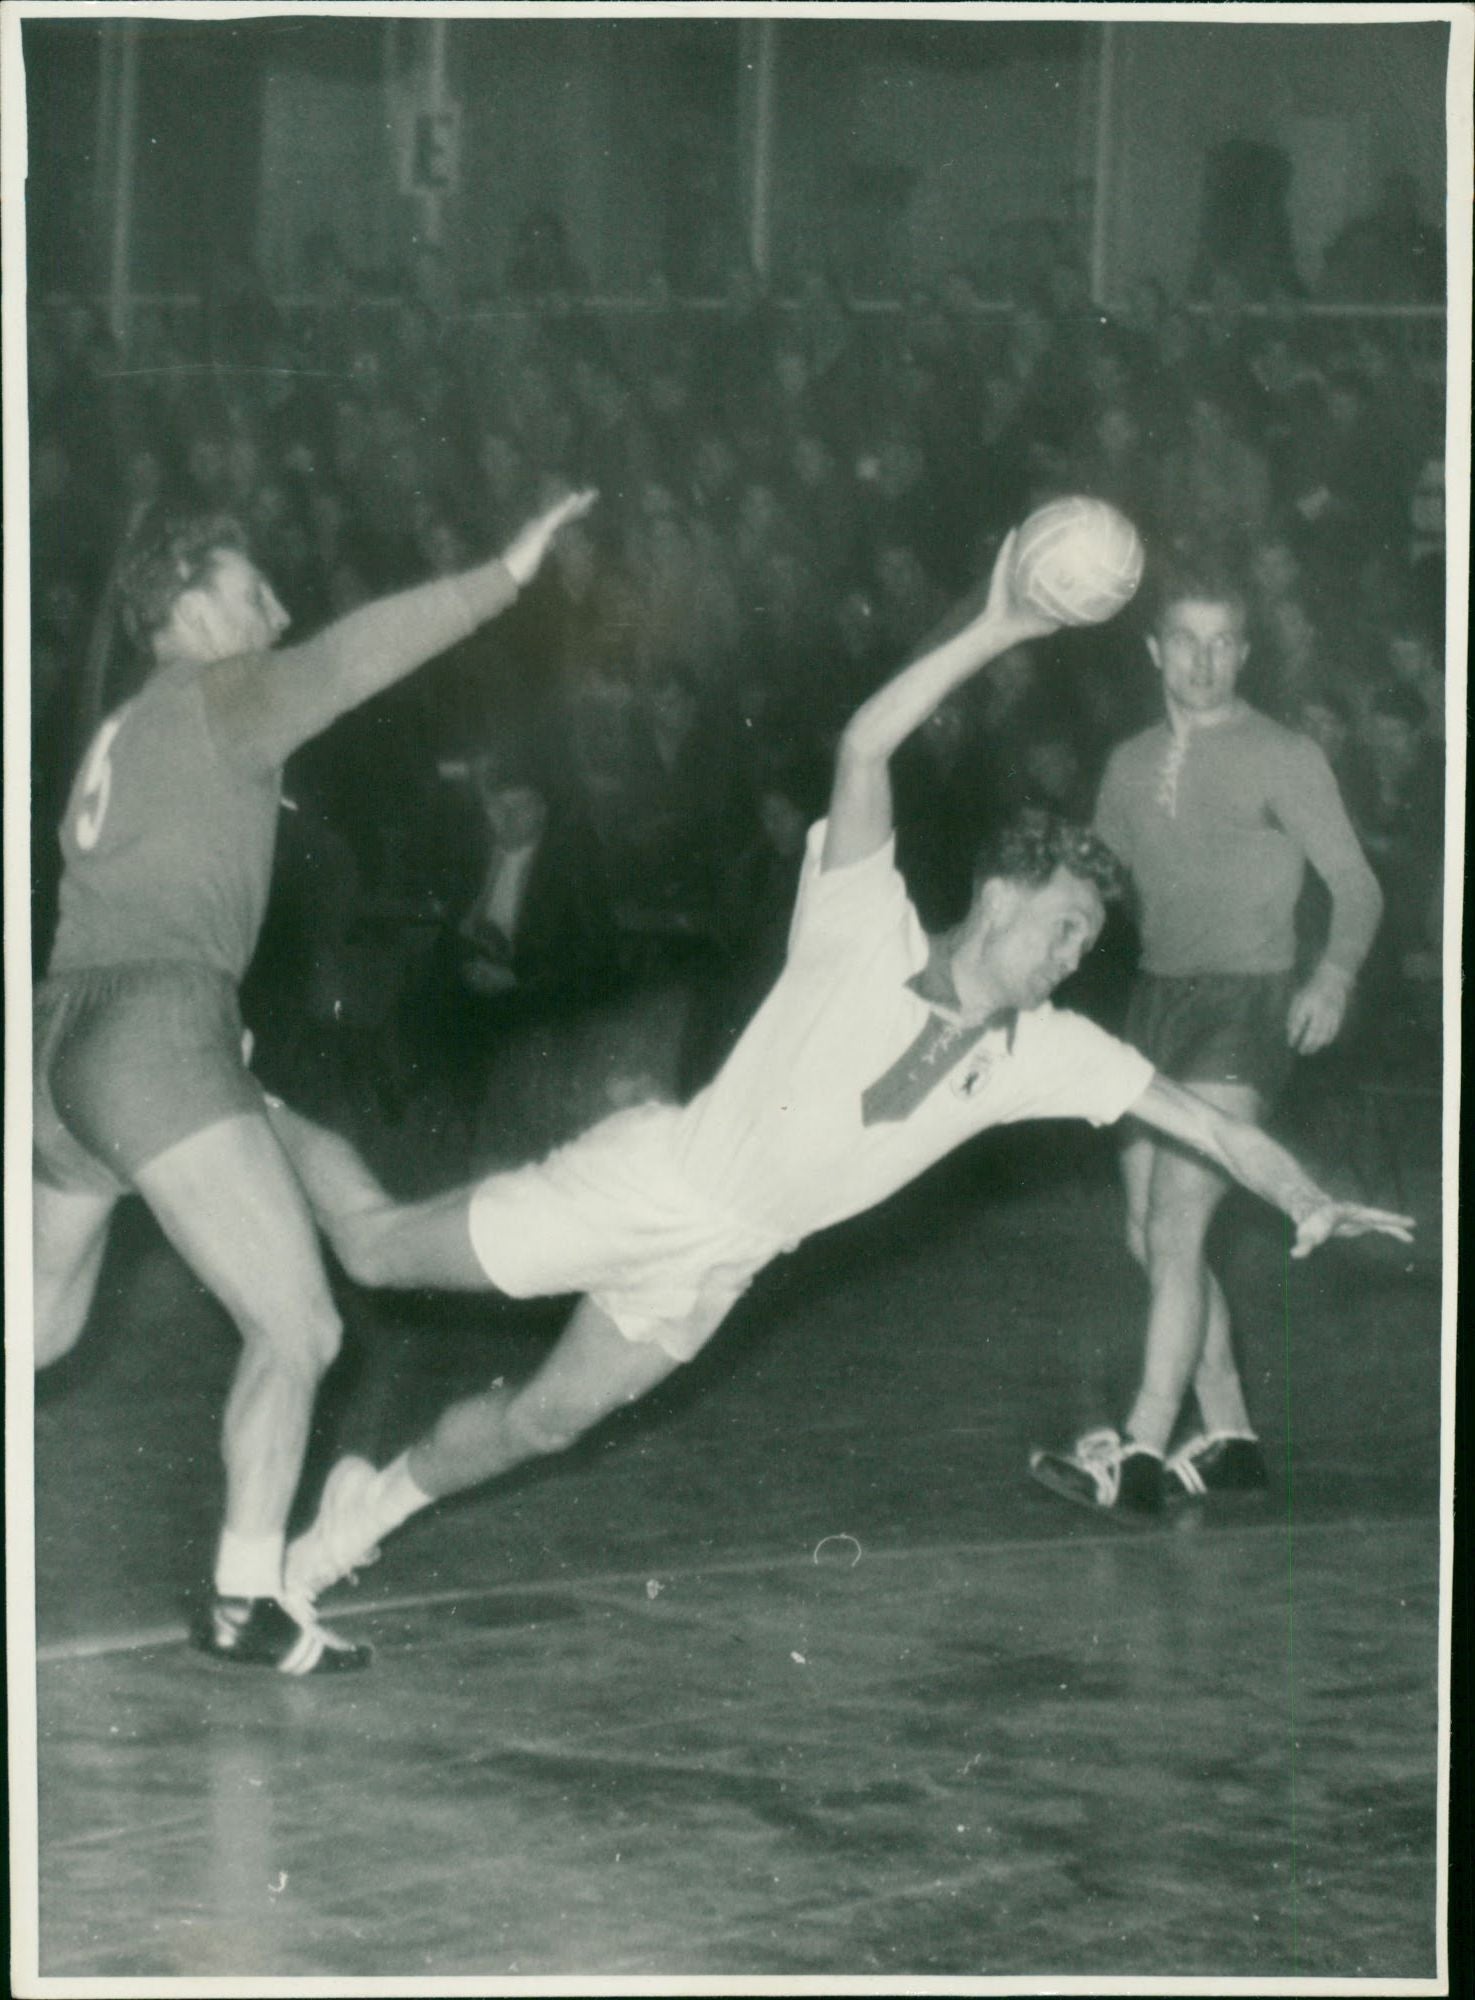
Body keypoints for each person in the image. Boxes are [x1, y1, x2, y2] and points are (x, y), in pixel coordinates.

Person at [262, 536, 1410, 1604]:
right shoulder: (862, 926)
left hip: (720, 1261)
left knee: (547, 1423)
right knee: (369, 1245)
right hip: (646, 1184)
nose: (1071, 954)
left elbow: (1207, 1126)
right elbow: (865, 744)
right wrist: (999, 624)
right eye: (1060, 925)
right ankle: (249, 1095)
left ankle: (367, 1507)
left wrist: (1299, 1190)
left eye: (1083, 942)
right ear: (998, 896)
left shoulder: (1045, 1051)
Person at [32, 489, 595, 1673]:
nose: (276, 612)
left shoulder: (124, 724)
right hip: (150, 1028)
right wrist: (499, 574)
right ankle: (247, 1596)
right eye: (252, 592)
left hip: (51, 1041)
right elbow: (349, 659)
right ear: (184, 604)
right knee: (298, 1324)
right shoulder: (216, 695)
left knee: (30, 1326)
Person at [1031, 558, 1385, 1517]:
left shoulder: (1283, 755)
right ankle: (1227, 1436)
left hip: (1245, 1003)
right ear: (1153, 650)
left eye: (1222, 640)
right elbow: (1092, 895)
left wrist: (1333, 975)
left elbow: (1356, 886)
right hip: (1155, 1004)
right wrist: (1035, 951)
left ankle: (1139, 1449)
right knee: (1148, 1234)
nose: (1203, 660)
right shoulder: (1129, 763)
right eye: (1184, 640)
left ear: (1243, 649)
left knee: (1182, 1223)